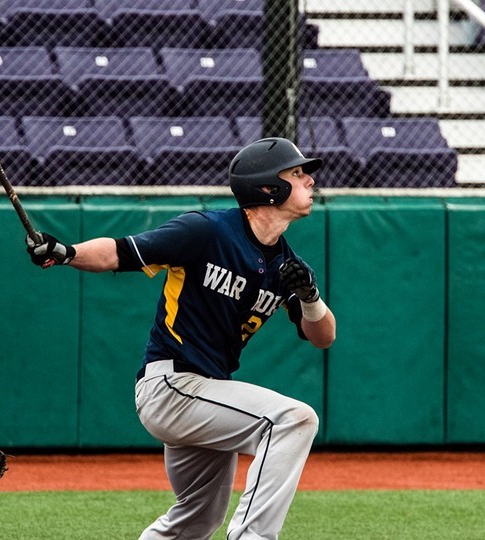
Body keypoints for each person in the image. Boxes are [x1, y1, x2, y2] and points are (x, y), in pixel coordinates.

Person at [26, 137, 337, 539]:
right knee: (293, 419)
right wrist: (67, 252)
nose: (310, 180)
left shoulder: (289, 265)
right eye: (297, 173)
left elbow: (323, 336)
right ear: (267, 187)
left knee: (198, 518)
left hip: (207, 394)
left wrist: (310, 299)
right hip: (171, 384)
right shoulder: (205, 231)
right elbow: (121, 252)